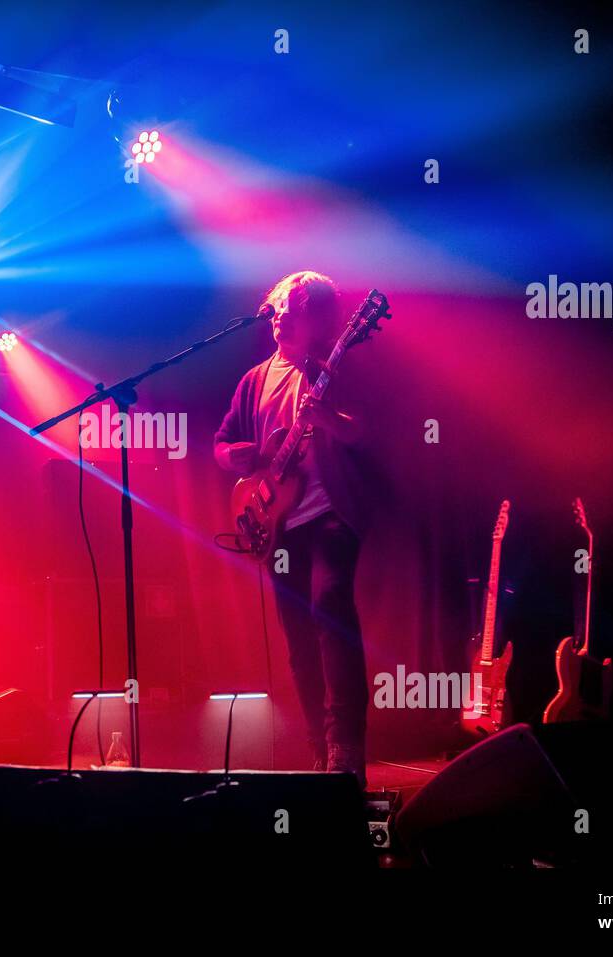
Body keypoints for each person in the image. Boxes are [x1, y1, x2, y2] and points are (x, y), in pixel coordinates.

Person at [214, 271, 369, 781]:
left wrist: (330, 422)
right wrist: (240, 456)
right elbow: (221, 444)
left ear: (316, 317)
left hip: (329, 514)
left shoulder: (334, 367)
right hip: (279, 525)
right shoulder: (254, 379)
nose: (279, 315)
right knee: (298, 640)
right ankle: (317, 752)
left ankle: (345, 748)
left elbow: (362, 431)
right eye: (278, 306)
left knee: (331, 610)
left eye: (293, 308)